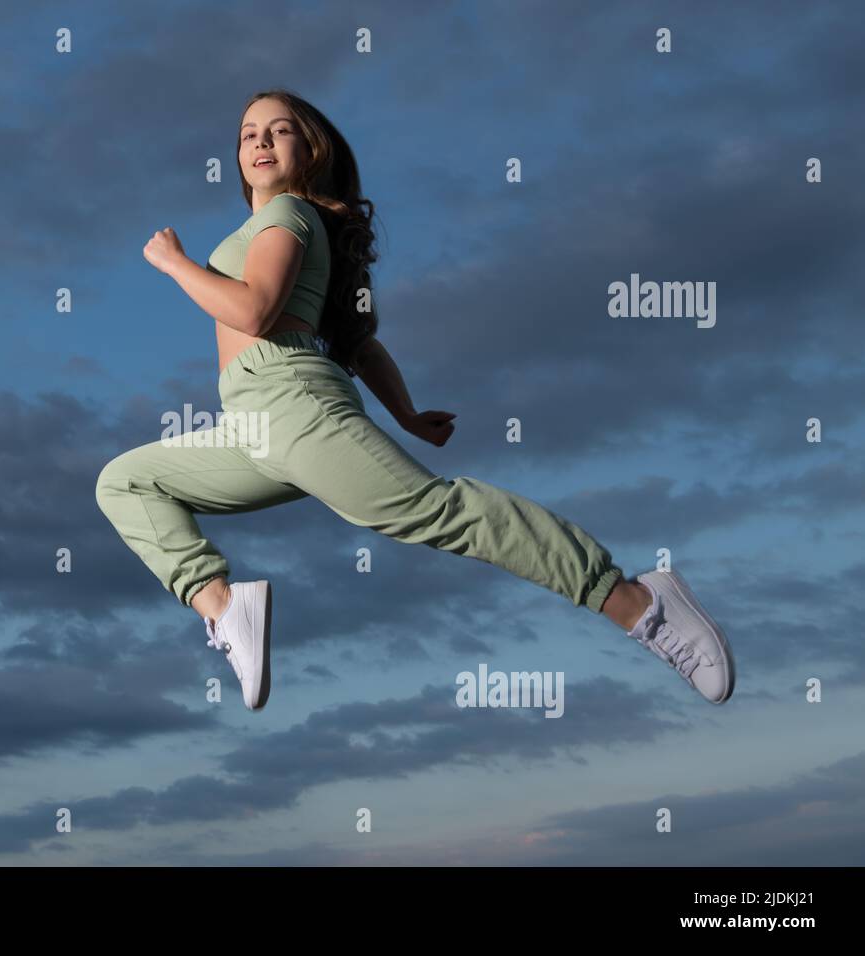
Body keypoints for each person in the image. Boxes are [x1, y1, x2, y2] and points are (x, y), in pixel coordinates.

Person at [95, 88, 735, 711]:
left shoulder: (288, 216)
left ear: (311, 150)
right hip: (251, 423)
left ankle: (637, 604)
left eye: (279, 129)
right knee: (125, 482)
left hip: (290, 404)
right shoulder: (271, 226)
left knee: (438, 512)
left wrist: (176, 264)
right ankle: (224, 608)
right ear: (237, 158)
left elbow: (256, 312)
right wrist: (405, 414)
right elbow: (358, 343)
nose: (260, 140)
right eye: (247, 135)